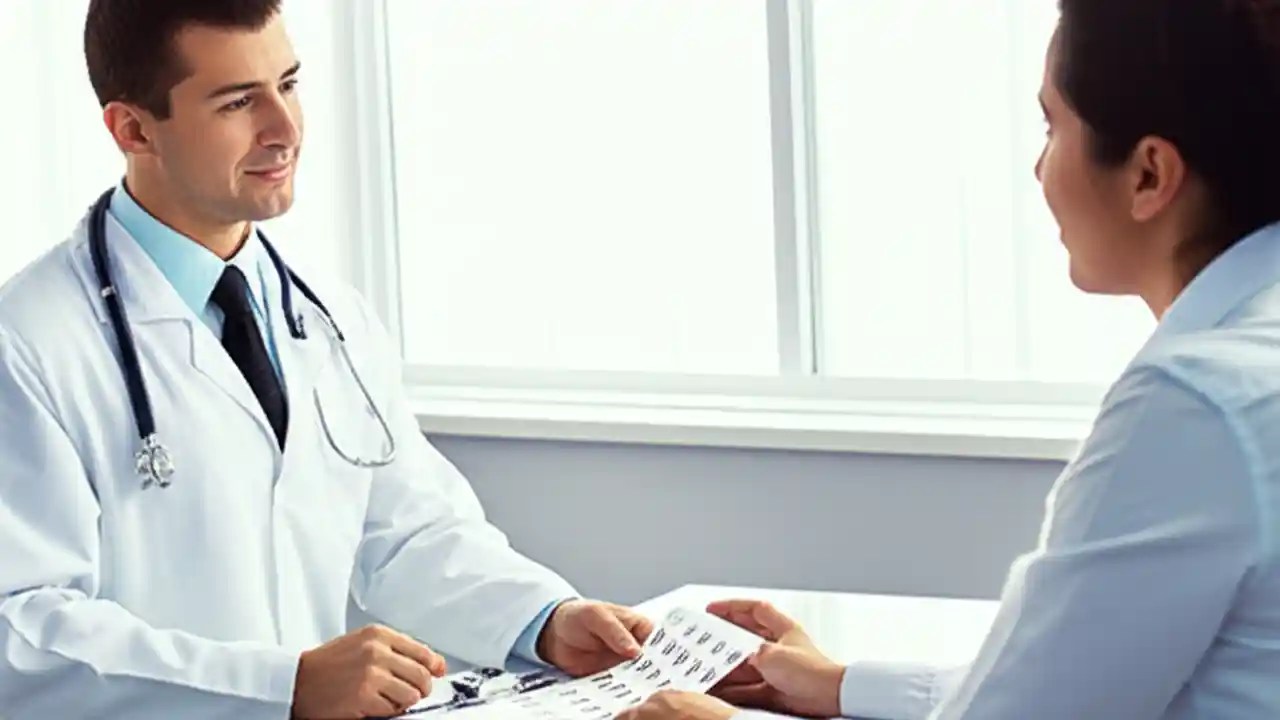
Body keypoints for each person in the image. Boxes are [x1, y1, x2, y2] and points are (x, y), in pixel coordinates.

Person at [620, 1, 1280, 718]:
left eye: (1052, 126)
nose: (1038, 168)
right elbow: (1072, 679)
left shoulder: (1190, 405)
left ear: (1149, 174)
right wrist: (841, 685)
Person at [0, 2, 653, 719]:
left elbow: (408, 534)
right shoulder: (29, 340)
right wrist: (282, 685)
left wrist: (544, 621)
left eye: (288, 83)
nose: (284, 129)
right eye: (238, 101)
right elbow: (21, 629)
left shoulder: (330, 316)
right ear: (132, 128)